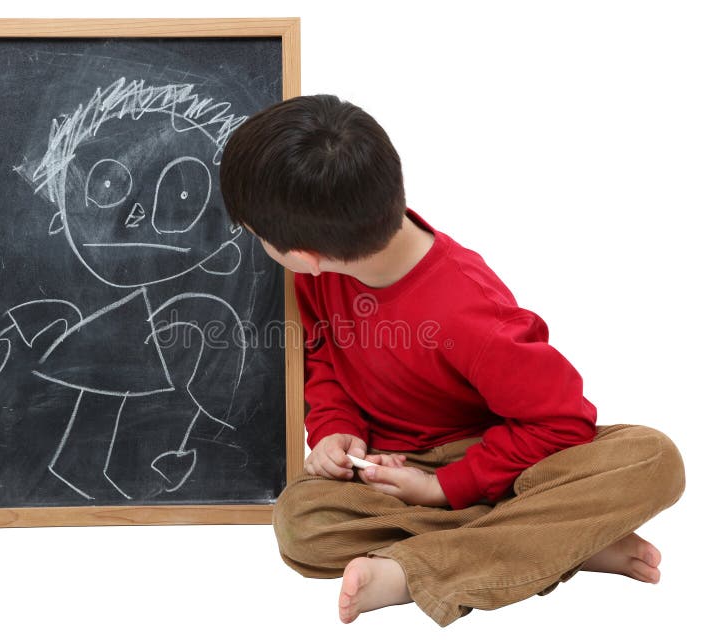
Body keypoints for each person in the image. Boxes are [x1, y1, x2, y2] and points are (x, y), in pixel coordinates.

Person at [218, 94, 686, 626]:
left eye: (258, 238)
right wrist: (334, 428)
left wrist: (446, 487)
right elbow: (322, 355)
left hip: (501, 460)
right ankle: (566, 541)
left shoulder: (469, 312)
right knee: (301, 525)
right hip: (391, 469)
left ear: (304, 255)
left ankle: (418, 571)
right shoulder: (318, 279)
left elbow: (562, 421)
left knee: (654, 460)